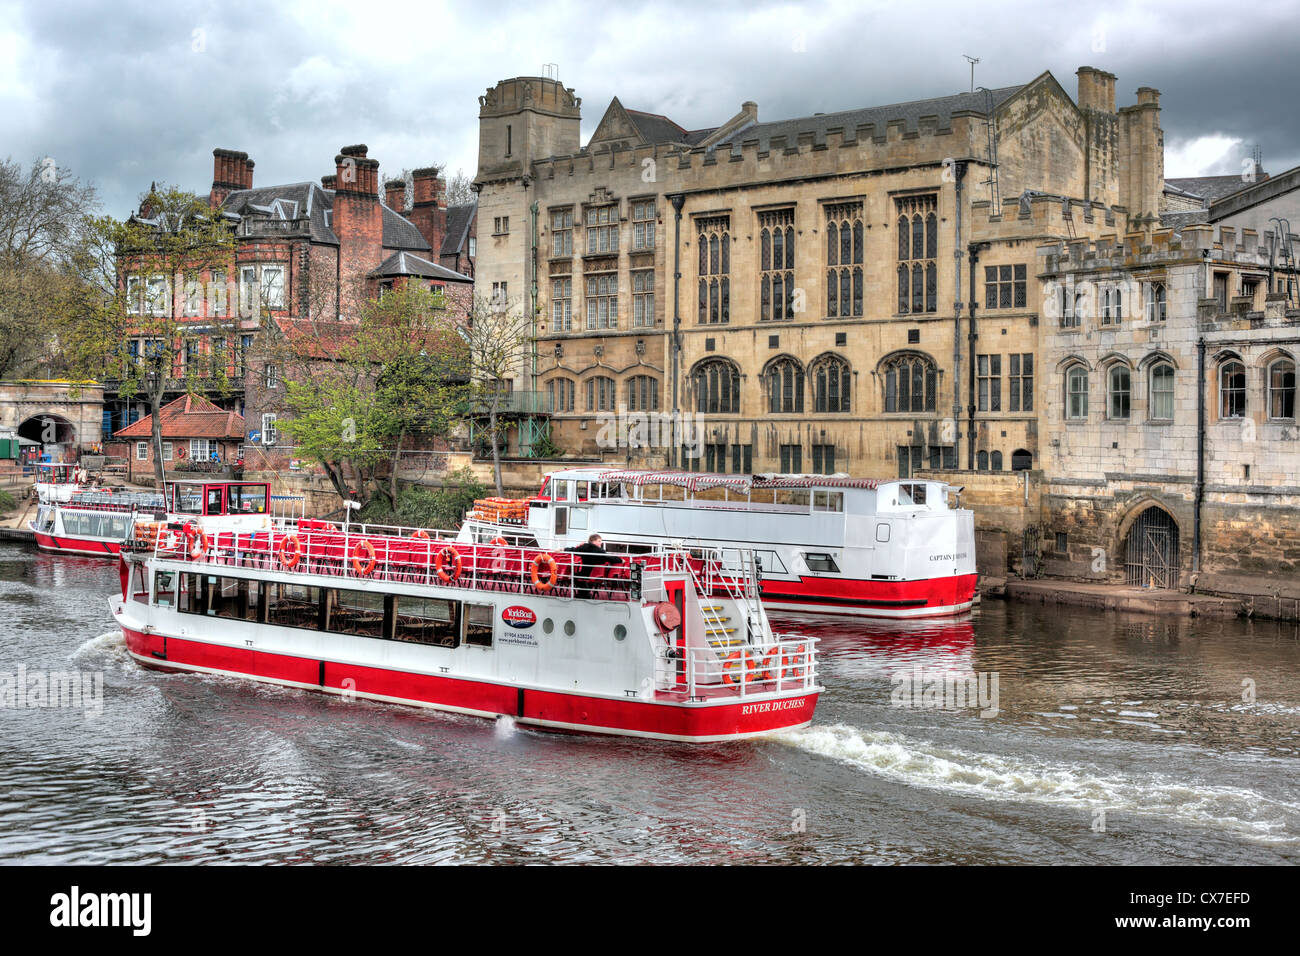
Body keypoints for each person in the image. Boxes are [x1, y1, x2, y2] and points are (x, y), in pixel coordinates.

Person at [565, 533, 620, 599]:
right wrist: (620, 560)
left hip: (587, 574)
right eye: (599, 541)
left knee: (573, 575)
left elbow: (574, 550)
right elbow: (609, 558)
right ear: (593, 541)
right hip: (595, 575)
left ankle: (585, 593)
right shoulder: (600, 550)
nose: (601, 543)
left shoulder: (585, 547)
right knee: (578, 577)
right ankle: (584, 593)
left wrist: (563, 549)